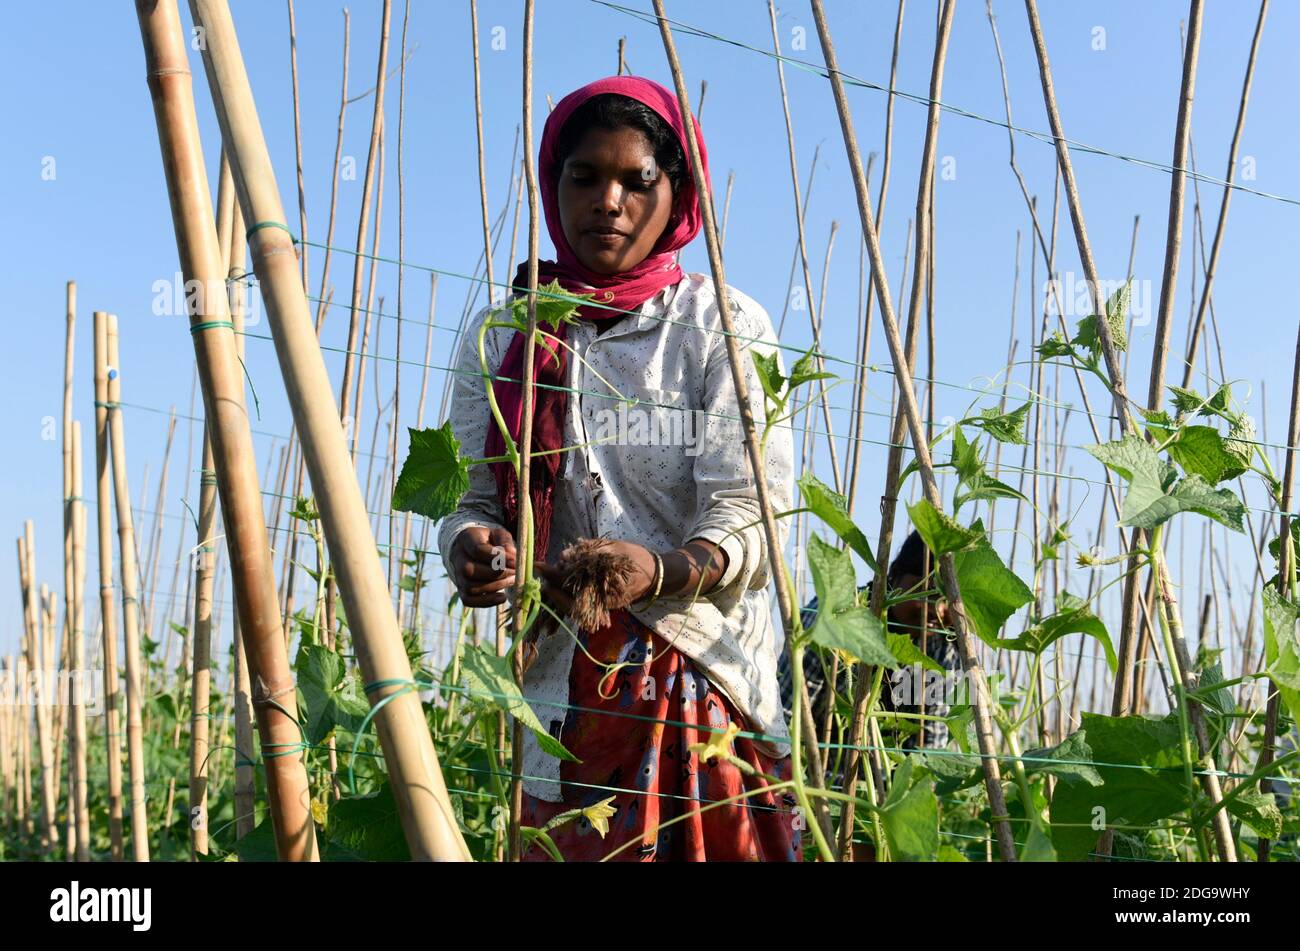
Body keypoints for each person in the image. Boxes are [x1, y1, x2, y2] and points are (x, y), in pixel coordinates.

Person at [439, 76, 800, 861]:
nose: (609, 200)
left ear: (679, 196)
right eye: (585, 177)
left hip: (703, 690)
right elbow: (471, 499)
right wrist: (474, 546)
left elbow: (750, 517)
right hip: (563, 704)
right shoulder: (505, 334)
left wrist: (659, 568)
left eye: (638, 182)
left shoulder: (722, 326)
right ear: (552, 182)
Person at [778, 529, 962, 757]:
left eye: (948, 600)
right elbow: (782, 718)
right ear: (894, 575)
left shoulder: (942, 649)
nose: (940, 610)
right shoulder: (837, 616)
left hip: (890, 787)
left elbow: (929, 750)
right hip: (814, 772)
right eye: (928, 595)